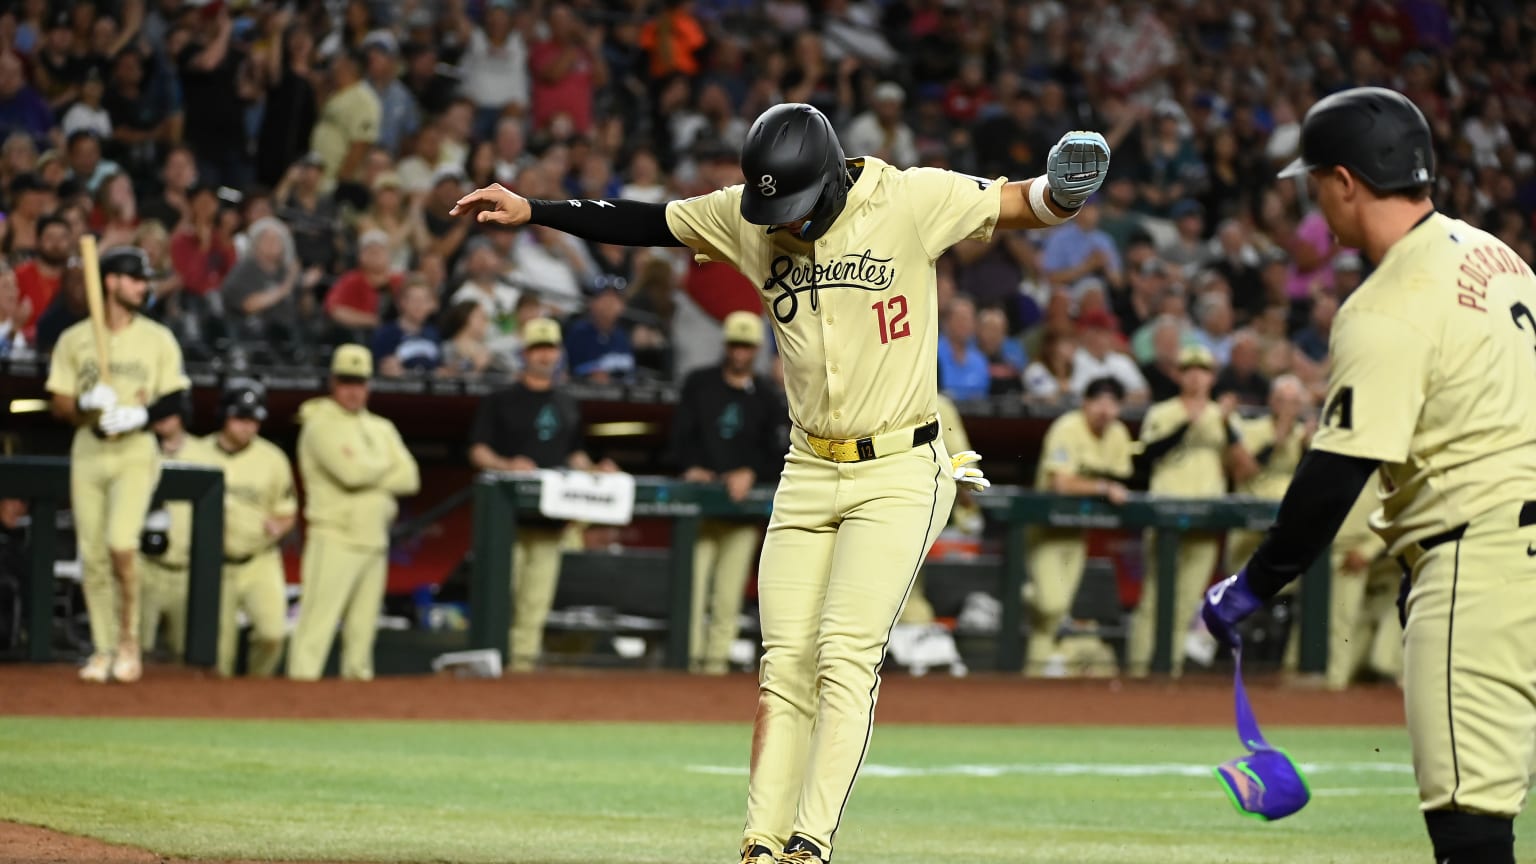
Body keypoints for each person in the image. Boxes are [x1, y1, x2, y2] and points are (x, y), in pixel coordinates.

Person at [451, 101, 1109, 864]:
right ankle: (760, 846)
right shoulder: (747, 216)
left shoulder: (908, 197)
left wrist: (1064, 190)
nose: (781, 223)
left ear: (829, 183)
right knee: (783, 664)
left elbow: (1019, 202)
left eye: (792, 206)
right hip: (807, 467)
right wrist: (536, 210)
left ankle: (811, 843)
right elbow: (647, 222)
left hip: (900, 468)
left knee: (845, 654)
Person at [1200, 87, 1536, 864]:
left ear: (1344, 181)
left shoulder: (1385, 304)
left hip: (1481, 561)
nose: (1313, 199)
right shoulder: (1501, 256)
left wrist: (1251, 586)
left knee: (1470, 827)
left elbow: (1334, 476)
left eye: (1314, 181)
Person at [44, 248, 190, 683]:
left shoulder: (158, 338)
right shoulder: (77, 338)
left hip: (134, 448)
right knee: (92, 554)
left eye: (144, 280)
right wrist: (85, 404)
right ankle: (104, 648)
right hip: (90, 447)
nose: (143, 286)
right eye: (135, 279)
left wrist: (141, 415)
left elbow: (176, 396)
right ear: (110, 282)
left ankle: (130, 641)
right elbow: (59, 402)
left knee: (121, 543)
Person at [468, 318, 618, 672]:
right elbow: (478, 451)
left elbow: (573, 454)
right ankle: (493, 667)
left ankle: (520, 669)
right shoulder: (501, 398)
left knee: (535, 603)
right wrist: (507, 464)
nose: (544, 355)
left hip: (552, 519)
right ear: (525, 354)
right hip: (508, 519)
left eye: (550, 348)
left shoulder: (567, 401)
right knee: (502, 597)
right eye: (538, 349)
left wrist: (596, 469)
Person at [288, 345, 419, 681]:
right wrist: (385, 467)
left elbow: (411, 478)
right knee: (316, 626)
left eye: (359, 382)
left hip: (374, 540)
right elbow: (350, 475)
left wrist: (370, 469)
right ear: (333, 382)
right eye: (346, 381)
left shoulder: (381, 427)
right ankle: (298, 698)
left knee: (362, 634)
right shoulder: (319, 422)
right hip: (334, 536)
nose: (353, 390)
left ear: (369, 385)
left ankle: (357, 708)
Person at [670, 311, 785, 674]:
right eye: (735, 344)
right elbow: (678, 438)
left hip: (740, 511)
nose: (739, 353)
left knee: (727, 596)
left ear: (756, 349)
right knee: (692, 592)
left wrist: (751, 473)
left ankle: (715, 666)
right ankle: (686, 665)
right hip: (699, 509)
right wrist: (691, 467)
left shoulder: (767, 396)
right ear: (725, 345)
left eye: (747, 346)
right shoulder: (699, 383)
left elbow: (778, 453)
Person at [1128, 344, 1248, 678]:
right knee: (1154, 596)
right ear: (1179, 375)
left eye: (1203, 370)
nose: (1196, 377)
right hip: (1164, 513)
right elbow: (1146, 456)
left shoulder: (1224, 417)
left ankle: (1171, 671)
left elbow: (1241, 468)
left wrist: (1225, 425)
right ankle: (1139, 668)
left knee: (1186, 602)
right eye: (1189, 370)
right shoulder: (1162, 412)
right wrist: (1189, 421)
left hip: (1206, 517)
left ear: (1211, 377)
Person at [187, 380, 298, 678]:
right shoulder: (194, 453)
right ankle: (217, 713)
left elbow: (287, 512)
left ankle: (256, 693)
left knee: (272, 634)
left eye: (254, 420)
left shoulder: (273, 459)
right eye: (241, 418)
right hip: (213, 566)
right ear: (224, 415)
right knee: (217, 655)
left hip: (258, 560)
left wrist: (280, 525)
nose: (248, 427)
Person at [1025, 376, 1134, 676]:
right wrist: (1101, 486)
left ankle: (1034, 677)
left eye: (1112, 403)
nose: (1105, 409)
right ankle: (1027, 594)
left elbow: (1123, 478)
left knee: (1055, 614)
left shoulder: (1118, 434)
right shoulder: (1067, 428)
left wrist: (1105, 486)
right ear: (1085, 403)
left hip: (1077, 533)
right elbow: (1060, 483)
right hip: (1045, 528)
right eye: (1098, 401)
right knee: (1050, 603)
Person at [138, 402, 193, 663]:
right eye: (155, 414)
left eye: (167, 412)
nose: (161, 420)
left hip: (187, 569)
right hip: (145, 566)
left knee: (186, 652)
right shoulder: (136, 450)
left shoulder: (204, 452)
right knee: (137, 647)